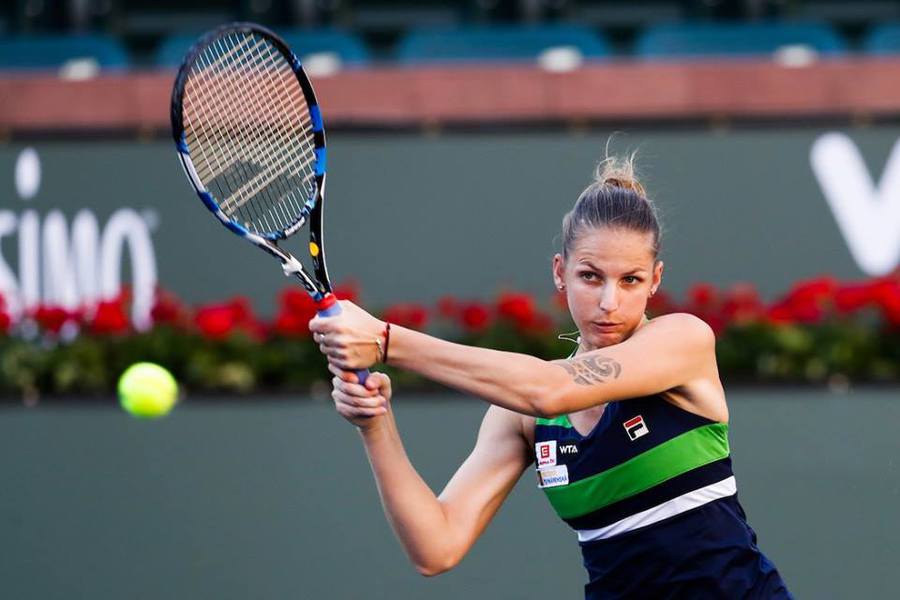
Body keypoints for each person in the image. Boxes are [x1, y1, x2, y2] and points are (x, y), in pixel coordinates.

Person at [309, 155, 792, 599]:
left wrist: (387, 340)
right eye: (590, 276)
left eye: (630, 280)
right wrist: (376, 425)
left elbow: (551, 389)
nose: (609, 302)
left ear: (655, 280)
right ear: (560, 272)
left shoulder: (683, 340)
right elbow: (436, 547)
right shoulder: (521, 418)